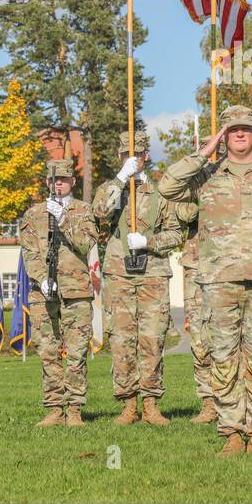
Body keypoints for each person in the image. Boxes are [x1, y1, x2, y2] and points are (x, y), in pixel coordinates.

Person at [158, 106, 252, 457]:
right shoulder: (206, 175)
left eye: (246, 129)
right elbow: (166, 185)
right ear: (224, 135)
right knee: (223, 358)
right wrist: (205, 150)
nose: (240, 134)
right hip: (218, 282)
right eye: (232, 129)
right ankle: (232, 433)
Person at [92, 132, 195, 425]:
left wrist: (148, 242)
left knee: (152, 339)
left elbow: (176, 233)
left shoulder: (163, 192)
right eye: (127, 155)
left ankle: (151, 403)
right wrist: (121, 179)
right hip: (119, 274)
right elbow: (100, 213)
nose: (133, 159)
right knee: (122, 339)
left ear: (147, 156)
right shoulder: (111, 189)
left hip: (152, 274)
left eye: (137, 154)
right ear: (120, 158)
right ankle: (128, 405)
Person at [20, 159, 100, 426]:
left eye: (64, 179)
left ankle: (75, 408)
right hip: (43, 294)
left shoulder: (84, 211)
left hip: (76, 292)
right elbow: (29, 253)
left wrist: (64, 219)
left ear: (73, 182)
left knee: (77, 353)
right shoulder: (33, 215)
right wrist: (41, 279)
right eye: (54, 180)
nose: (59, 184)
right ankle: (54, 408)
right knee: (48, 351)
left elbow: (87, 244)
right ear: (47, 182)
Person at [178, 227, 217, 424]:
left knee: (233, 338)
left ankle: (235, 403)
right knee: (200, 341)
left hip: (228, 262)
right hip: (195, 263)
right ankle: (209, 403)